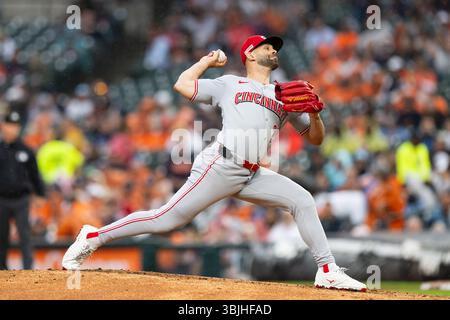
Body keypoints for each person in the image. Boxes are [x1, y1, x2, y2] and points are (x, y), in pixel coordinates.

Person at [62, 35, 367, 291]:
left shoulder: (284, 95)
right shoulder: (230, 83)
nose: (273, 51)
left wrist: (314, 115)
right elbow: (182, 84)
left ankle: (327, 270)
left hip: (252, 173)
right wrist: (207, 61)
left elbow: (315, 139)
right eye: (266, 47)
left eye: (275, 48)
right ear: (249, 53)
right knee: (166, 219)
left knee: (303, 199)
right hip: (220, 164)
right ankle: (94, 236)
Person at [0, 110, 46, 269]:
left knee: (25, 236)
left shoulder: (26, 150)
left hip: (21, 199)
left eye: (15, 126)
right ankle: (2, 270)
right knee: (1, 236)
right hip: (2, 199)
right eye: (9, 125)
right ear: (2, 126)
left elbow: (35, 173)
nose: (12, 129)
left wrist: (40, 194)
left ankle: (28, 270)